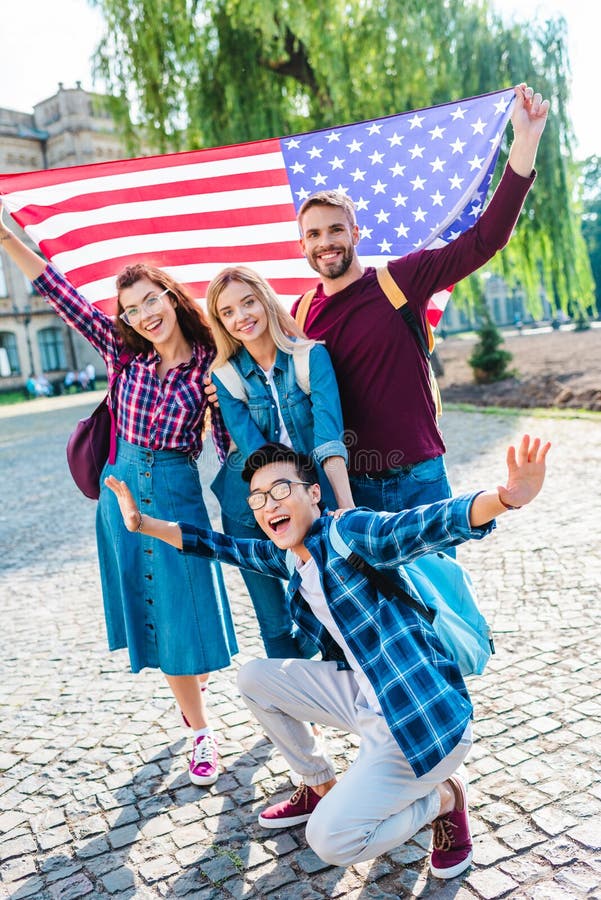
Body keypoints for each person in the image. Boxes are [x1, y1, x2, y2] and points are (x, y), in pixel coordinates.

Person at [105, 434, 550, 879]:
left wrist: (505, 499)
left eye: (281, 489)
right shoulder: (292, 558)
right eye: (258, 498)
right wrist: (142, 523)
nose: (269, 504)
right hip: (367, 698)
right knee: (254, 679)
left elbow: (425, 523)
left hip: (420, 722)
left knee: (331, 840)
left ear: (314, 493)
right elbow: (218, 545)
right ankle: (319, 783)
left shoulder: (348, 533)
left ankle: (445, 798)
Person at [0, 202, 238, 788]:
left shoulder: (211, 363)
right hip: (121, 489)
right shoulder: (122, 352)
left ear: (170, 296)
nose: (144, 315)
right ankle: (200, 732)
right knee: (160, 612)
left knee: (184, 608)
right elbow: (58, 291)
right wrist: (5, 235)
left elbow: (230, 441)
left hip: (177, 491)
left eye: (150, 301)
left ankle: (193, 689)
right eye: (132, 309)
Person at [290, 83, 549, 514]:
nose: (326, 242)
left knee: (440, 563)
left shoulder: (400, 280)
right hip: (352, 491)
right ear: (303, 246)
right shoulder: (298, 316)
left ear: (355, 233)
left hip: (421, 480)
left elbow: (486, 239)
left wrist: (525, 140)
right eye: (313, 234)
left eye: (335, 229)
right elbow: (264, 375)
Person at [205, 264, 354, 658]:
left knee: (329, 606)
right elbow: (258, 455)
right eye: (228, 312)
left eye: (248, 303)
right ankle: (292, 696)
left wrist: (345, 506)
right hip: (249, 508)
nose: (241, 317)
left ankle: (334, 686)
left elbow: (328, 441)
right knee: (273, 621)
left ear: (265, 300)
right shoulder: (225, 376)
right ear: (221, 322)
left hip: (309, 499)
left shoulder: (311, 357)